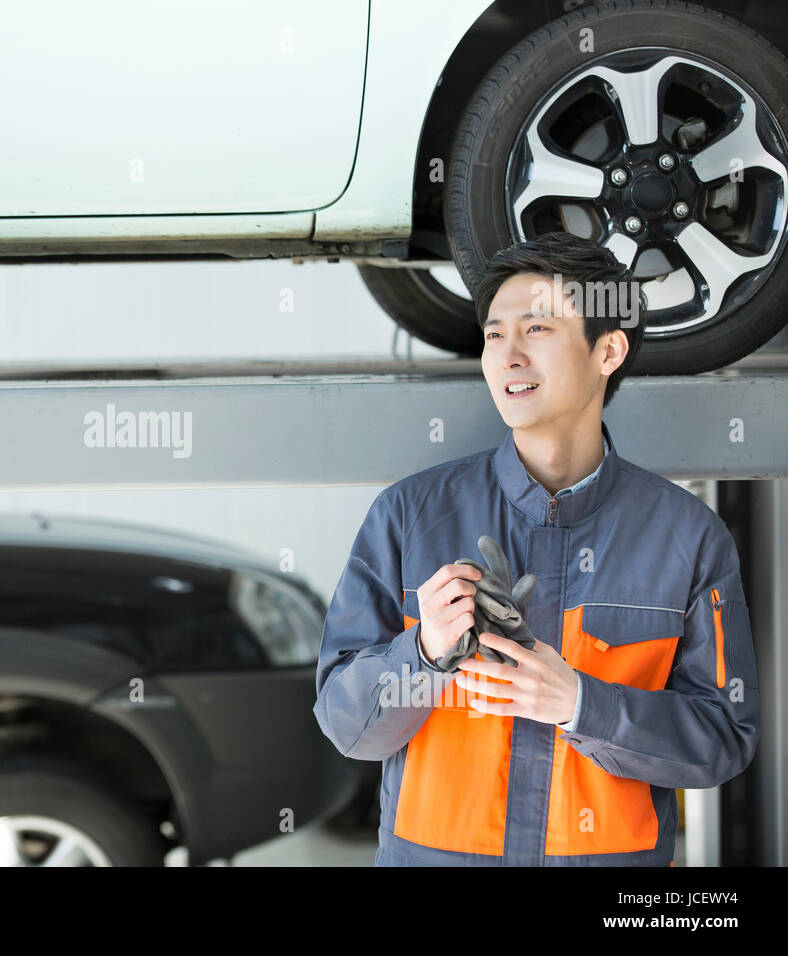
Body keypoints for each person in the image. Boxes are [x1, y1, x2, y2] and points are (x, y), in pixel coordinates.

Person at [313, 232, 760, 866]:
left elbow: (724, 739)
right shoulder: (410, 517)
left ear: (608, 350)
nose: (508, 355)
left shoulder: (687, 538)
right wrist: (423, 653)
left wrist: (583, 704)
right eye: (495, 335)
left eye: (538, 329)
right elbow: (343, 724)